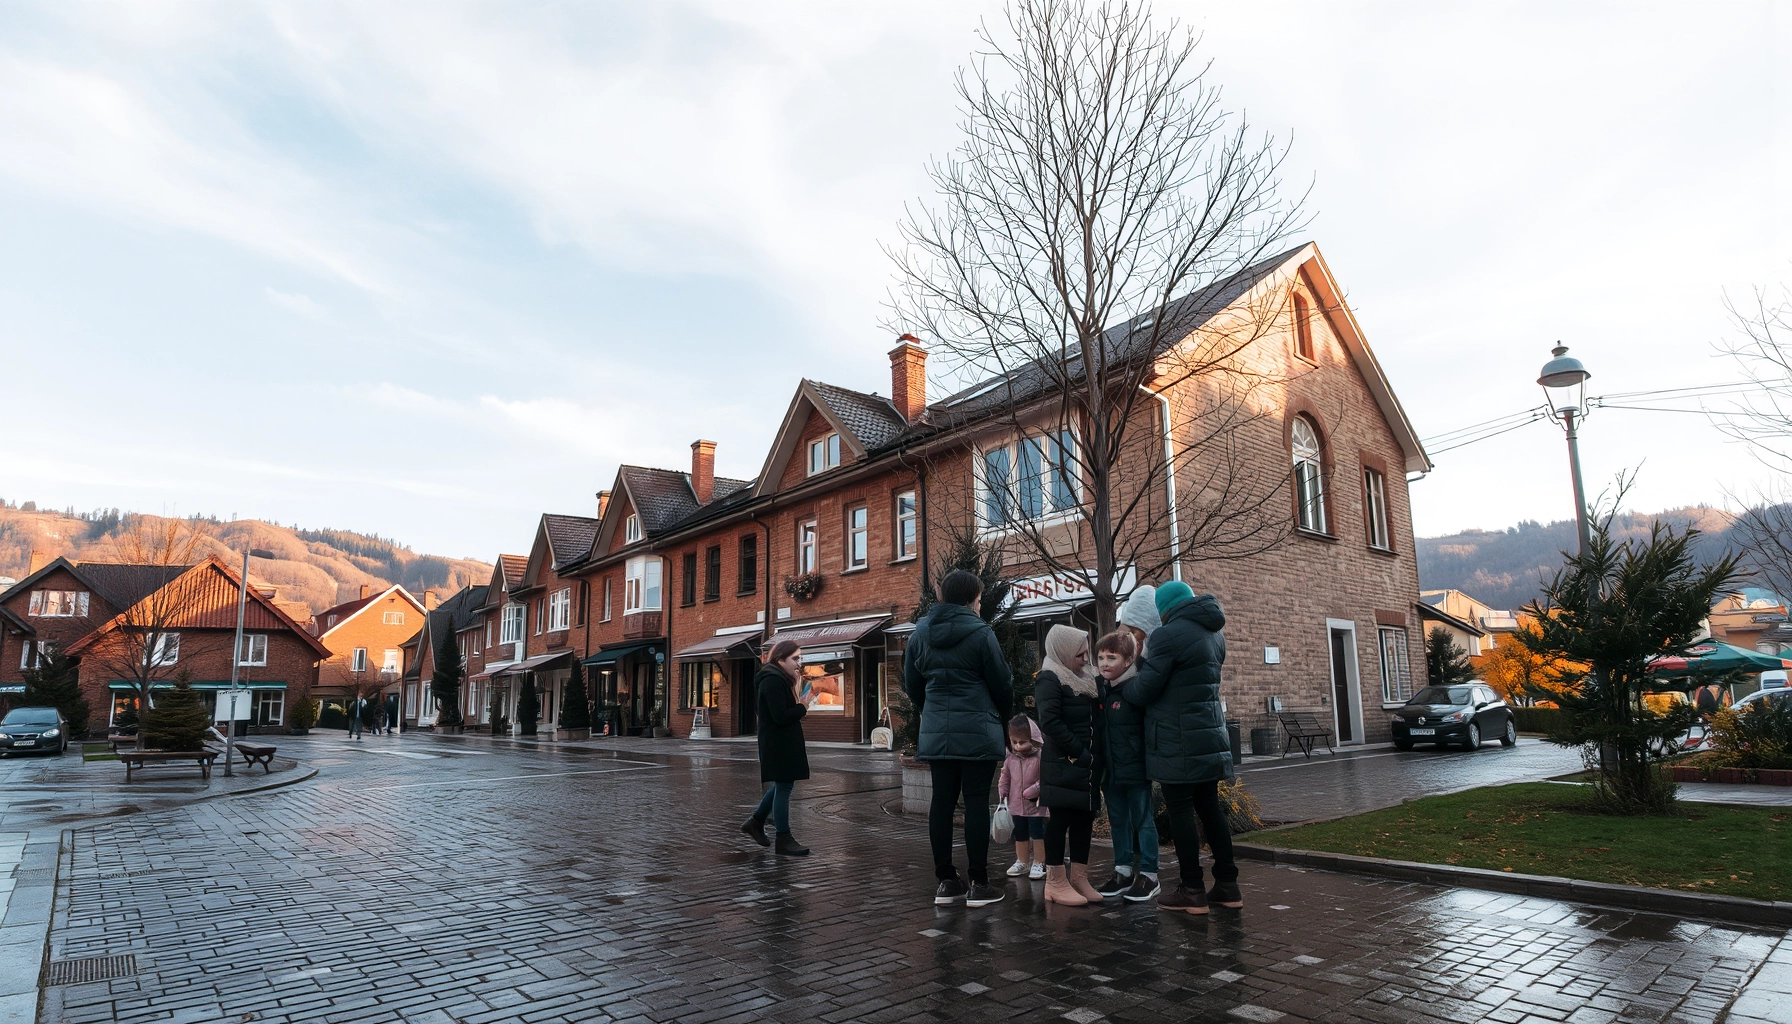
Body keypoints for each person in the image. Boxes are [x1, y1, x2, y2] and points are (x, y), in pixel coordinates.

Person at [1122, 580, 1240, 914]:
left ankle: (1191, 889)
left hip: (1177, 739)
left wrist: (1125, 685)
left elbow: (1145, 690)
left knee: (1180, 810)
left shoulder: (1167, 636)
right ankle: (1228, 886)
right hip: (1209, 735)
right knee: (1210, 808)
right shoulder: (1214, 633)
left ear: (1166, 608)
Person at [903, 569, 1014, 909]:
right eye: (979, 601)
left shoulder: (919, 633)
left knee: (942, 802)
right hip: (978, 732)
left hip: (938, 732)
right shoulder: (982, 634)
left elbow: (912, 684)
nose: (980, 607)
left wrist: (933, 712)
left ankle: (946, 882)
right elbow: (1001, 684)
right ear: (969, 600)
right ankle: (979, 883)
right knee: (977, 802)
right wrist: (1003, 719)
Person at [1035, 623, 1105, 906]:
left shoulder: (1088, 677)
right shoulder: (1050, 678)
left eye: (1087, 653)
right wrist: (1080, 752)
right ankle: (1054, 881)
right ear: (1063, 652)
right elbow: (1049, 722)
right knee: (1060, 819)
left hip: (1087, 765)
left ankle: (1079, 877)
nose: (1086, 659)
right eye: (1080, 655)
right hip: (1065, 762)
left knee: (1084, 819)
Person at [1093, 629, 1159, 901]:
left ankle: (1149, 874)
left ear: (1129, 659)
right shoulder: (1100, 690)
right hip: (1111, 771)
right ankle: (1123, 870)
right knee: (1118, 821)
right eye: (1100, 657)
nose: (1105, 663)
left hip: (1135, 768)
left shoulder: (1135, 690)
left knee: (1143, 821)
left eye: (1112, 657)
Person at [742, 639, 812, 856]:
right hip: (777, 743)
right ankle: (783, 838)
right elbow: (779, 716)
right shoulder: (772, 680)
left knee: (783, 784)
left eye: (799, 657)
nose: (798, 663)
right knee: (783, 787)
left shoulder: (779, 678)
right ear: (780, 660)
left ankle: (755, 822)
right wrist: (803, 707)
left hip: (781, 742)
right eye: (795, 658)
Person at [998, 715, 1046, 880]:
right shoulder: (1010, 758)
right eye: (1014, 742)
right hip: (1016, 805)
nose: (1018, 746)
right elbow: (1005, 776)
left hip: (1035, 805)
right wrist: (1003, 790)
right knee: (1020, 833)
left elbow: (1046, 778)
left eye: (1022, 742)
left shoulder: (1040, 757)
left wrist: (1034, 790)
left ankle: (1039, 861)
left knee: (1037, 833)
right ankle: (1022, 860)